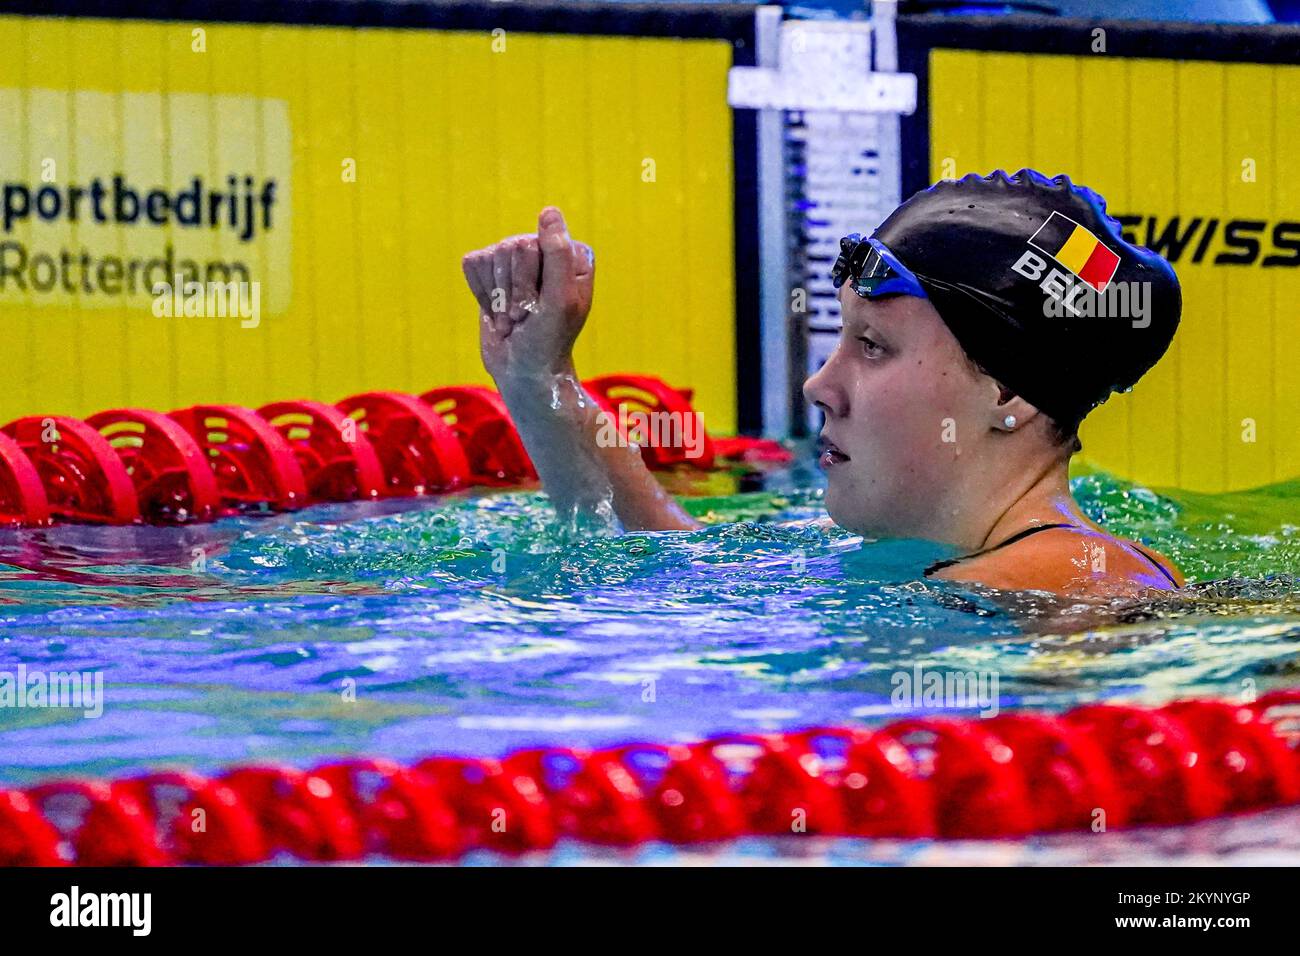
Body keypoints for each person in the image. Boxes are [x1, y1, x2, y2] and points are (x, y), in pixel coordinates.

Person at [460, 169, 1184, 597]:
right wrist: (537, 378)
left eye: (872, 347)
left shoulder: (1062, 584)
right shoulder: (944, 563)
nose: (817, 387)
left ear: (1008, 394)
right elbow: (668, 565)